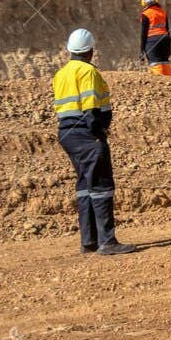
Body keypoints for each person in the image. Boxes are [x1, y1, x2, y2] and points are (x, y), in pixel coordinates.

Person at [52, 28, 134, 255]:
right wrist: (98, 133)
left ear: (70, 50)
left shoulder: (61, 73)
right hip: (86, 134)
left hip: (67, 134)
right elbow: (90, 109)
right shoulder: (87, 72)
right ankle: (107, 242)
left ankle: (89, 241)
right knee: (101, 186)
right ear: (90, 51)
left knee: (84, 186)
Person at [138, 0, 171, 75]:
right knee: (165, 63)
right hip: (165, 40)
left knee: (156, 65)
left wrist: (141, 51)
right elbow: (168, 30)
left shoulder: (145, 14)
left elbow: (144, 34)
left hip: (152, 42)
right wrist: (169, 47)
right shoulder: (163, 12)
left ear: (143, 1)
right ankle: (170, 85)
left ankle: (161, 84)